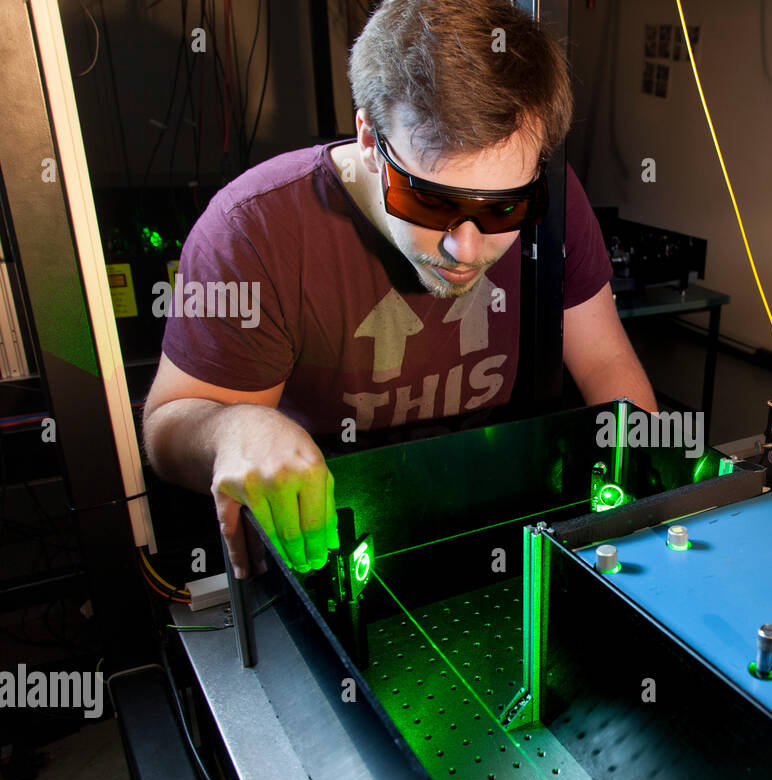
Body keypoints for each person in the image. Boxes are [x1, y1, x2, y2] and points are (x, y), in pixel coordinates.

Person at [142, 0, 655, 580]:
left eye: (504, 206)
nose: (466, 248)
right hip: (335, 557)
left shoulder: (556, 200)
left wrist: (642, 499)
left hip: (499, 536)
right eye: (432, 202)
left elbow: (608, 364)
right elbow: (165, 430)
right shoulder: (252, 231)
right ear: (369, 137)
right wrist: (230, 428)